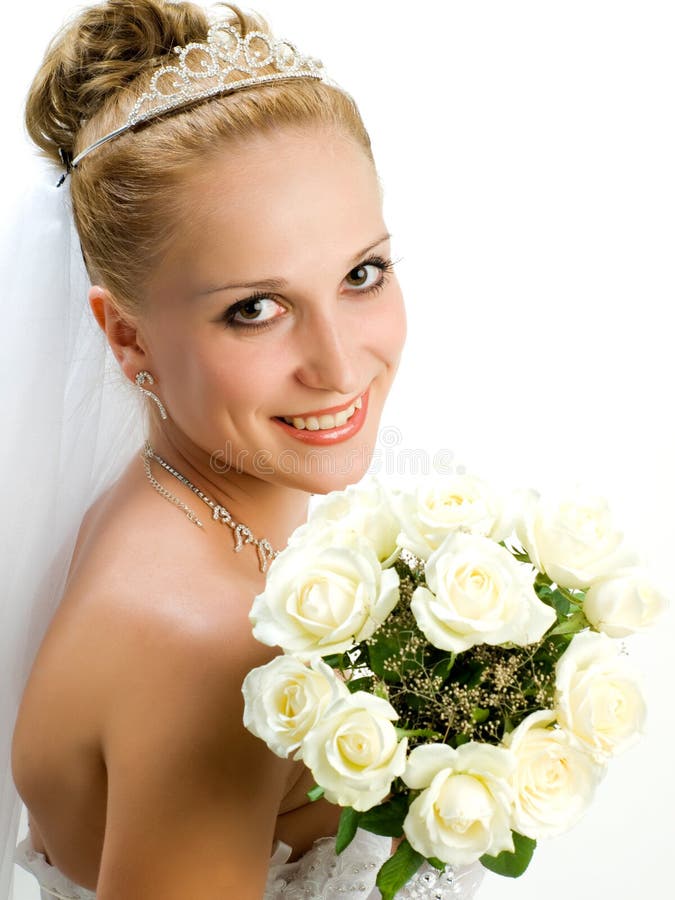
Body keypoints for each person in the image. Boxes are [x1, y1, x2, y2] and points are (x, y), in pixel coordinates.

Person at [1, 1, 486, 897]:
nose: (338, 366)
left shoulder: (162, 514)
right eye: (253, 309)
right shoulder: (215, 649)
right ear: (127, 337)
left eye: (361, 274)